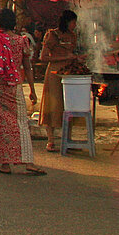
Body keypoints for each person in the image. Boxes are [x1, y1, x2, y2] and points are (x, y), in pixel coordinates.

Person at [0, 8, 45, 176]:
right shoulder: (21, 41)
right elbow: (27, 67)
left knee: (1, 124)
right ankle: (28, 162)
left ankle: (5, 164)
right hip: (15, 85)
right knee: (20, 122)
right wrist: (32, 90)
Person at [39, 10, 81, 153]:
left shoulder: (72, 36)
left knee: (69, 105)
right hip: (54, 74)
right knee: (52, 106)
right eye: (73, 22)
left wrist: (77, 58)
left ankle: (67, 139)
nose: (75, 25)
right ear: (67, 22)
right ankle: (51, 140)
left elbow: (72, 54)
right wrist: (64, 57)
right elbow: (43, 57)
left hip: (69, 73)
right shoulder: (52, 35)